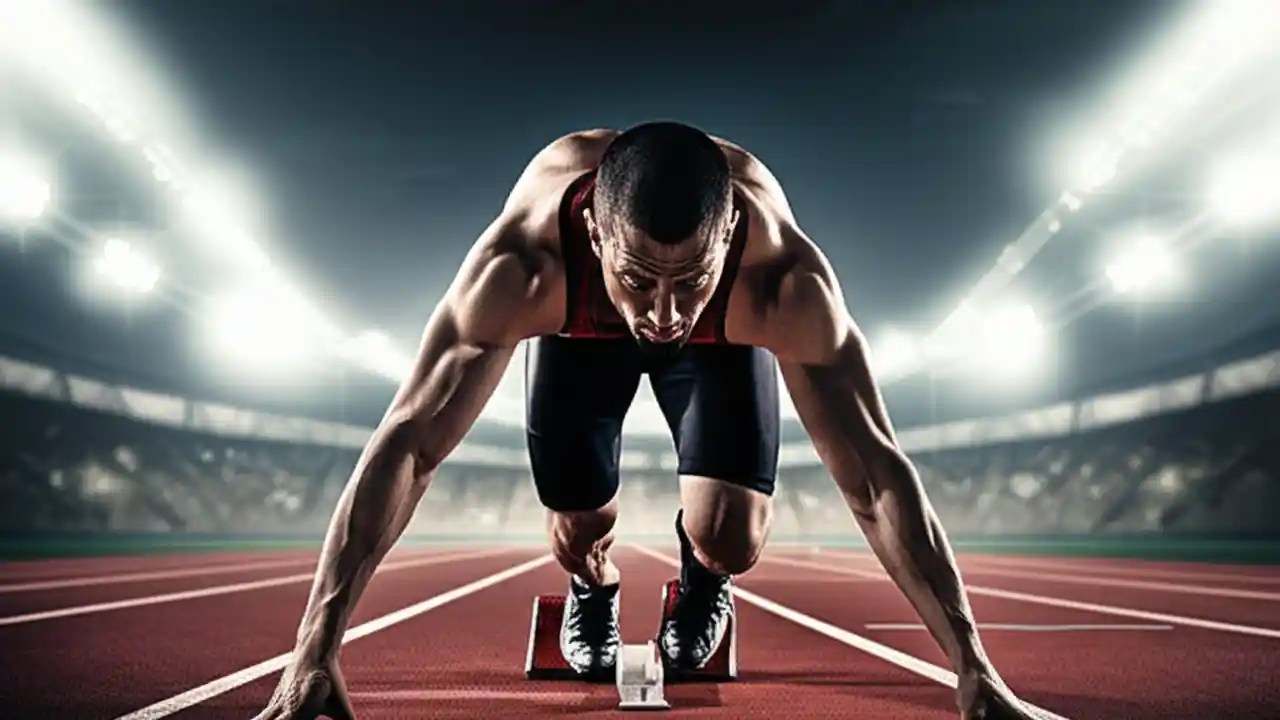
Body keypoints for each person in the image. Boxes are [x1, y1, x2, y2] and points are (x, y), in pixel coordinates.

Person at [255, 121, 1037, 720]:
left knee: (731, 537)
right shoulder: (523, 267)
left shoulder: (783, 283)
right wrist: (315, 647)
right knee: (577, 521)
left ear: (729, 235)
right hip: (577, 328)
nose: (664, 315)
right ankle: (592, 583)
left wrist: (973, 663)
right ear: (595, 232)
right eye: (640, 280)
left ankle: (703, 582)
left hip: (724, 337)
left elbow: (874, 476)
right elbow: (411, 444)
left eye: (687, 280)